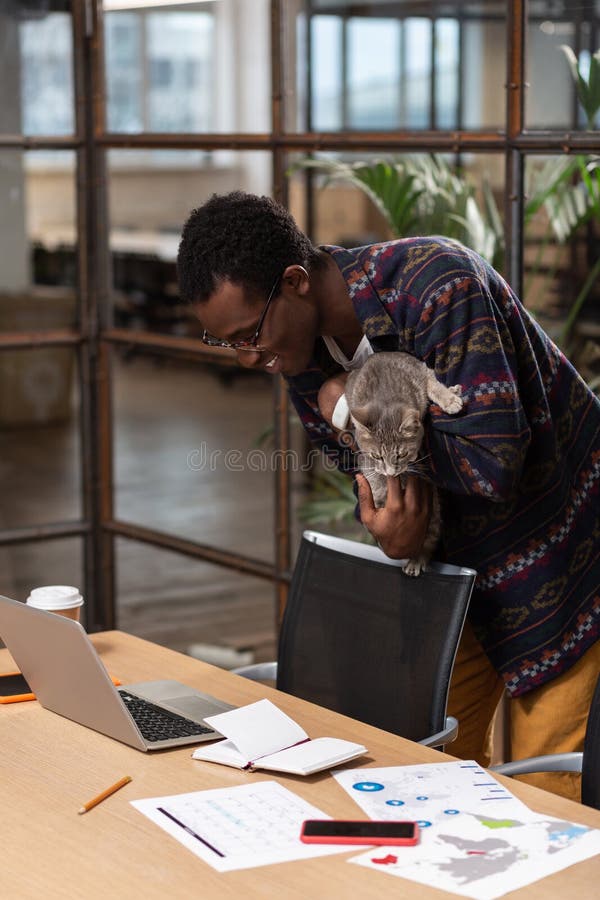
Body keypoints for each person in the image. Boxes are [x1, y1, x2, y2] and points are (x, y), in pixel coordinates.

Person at [177, 190, 600, 801]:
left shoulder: (439, 283)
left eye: (248, 334)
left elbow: (491, 461)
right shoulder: (301, 357)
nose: (247, 358)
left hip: (565, 561)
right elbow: (371, 472)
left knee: (552, 803)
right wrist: (389, 526)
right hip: (459, 574)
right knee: (413, 777)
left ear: (294, 281)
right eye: (227, 344)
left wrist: (352, 407)